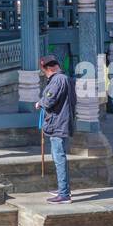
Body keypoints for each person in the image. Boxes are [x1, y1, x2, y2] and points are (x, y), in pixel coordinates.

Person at [36, 54, 77, 203]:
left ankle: (64, 194)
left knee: (59, 158)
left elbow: (48, 100)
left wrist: (39, 103)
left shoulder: (57, 80)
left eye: (44, 71)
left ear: (48, 68)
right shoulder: (66, 79)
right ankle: (63, 189)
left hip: (58, 123)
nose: (45, 74)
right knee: (59, 156)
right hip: (63, 121)